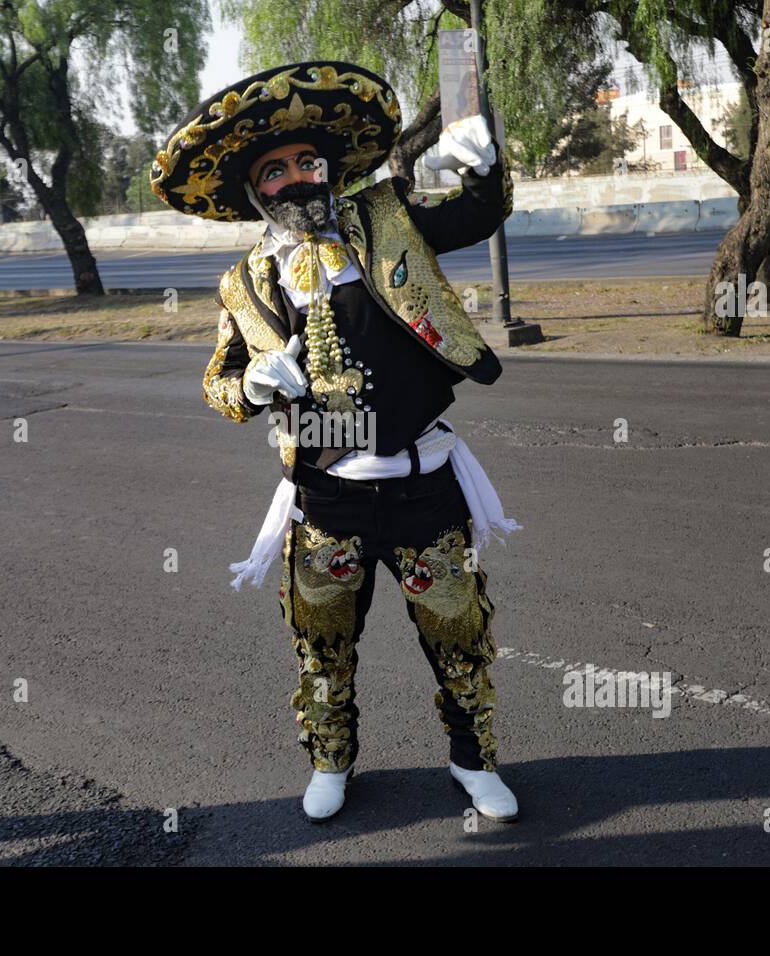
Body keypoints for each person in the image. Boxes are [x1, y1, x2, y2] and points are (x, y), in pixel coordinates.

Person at [151, 61, 522, 822]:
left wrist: (484, 174)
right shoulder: (245, 282)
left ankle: (471, 759)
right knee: (322, 648)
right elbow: (218, 386)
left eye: (308, 164)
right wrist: (253, 386)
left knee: (459, 636)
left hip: (424, 482)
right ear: (256, 191)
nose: (296, 179)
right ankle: (331, 762)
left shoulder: (386, 215)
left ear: (329, 170)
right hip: (326, 498)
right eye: (276, 170)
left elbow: (474, 218)